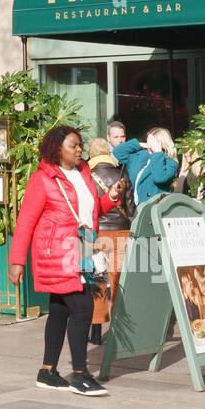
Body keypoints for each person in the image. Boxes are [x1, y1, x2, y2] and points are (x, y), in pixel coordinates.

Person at [8, 125, 126, 397]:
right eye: (73, 145)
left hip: (82, 248)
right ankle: (80, 374)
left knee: (60, 308)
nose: (79, 149)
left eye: (80, 145)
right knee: (82, 305)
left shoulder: (83, 173)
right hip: (58, 252)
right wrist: (17, 261)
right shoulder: (43, 179)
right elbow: (26, 220)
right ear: (57, 148)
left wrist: (110, 197)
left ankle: (47, 371)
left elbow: (91, 209)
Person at [86, 137, 132, 341]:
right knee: (119, 281)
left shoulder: (87, 175)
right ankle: (119, 330)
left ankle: (95, 331)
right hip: (121, 232)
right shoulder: (122, 173)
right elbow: (130, 207)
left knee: (99, 281)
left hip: (98, 235)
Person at [113, 126, 179, 208]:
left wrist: (157, 153)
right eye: (149, 141)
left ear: (161, 143)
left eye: (153, 142)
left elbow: (160, 178)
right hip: (135, 208)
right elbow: (118, 152)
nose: (150, 145)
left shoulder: (170, 163)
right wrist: (139, 144)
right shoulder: (140, 156)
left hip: (155, 207)